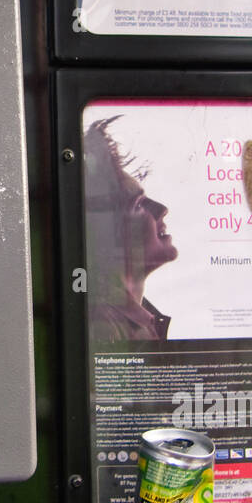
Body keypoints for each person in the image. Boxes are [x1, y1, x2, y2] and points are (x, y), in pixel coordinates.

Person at [84, 115, 178, 342]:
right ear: (109, 235)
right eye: (138, 205)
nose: (162, 209)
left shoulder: (138, 321)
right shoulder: (103, 326)